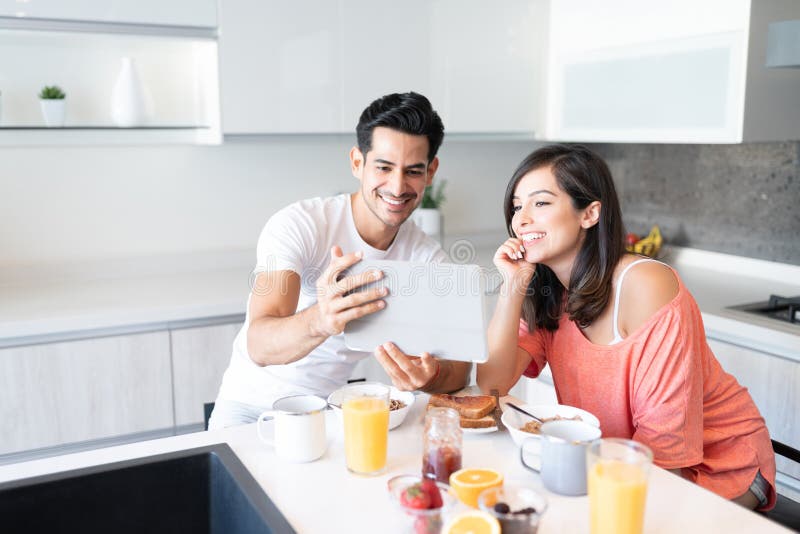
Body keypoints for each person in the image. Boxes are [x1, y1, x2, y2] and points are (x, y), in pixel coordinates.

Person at [477, 144, 776, 510]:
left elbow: (667, 452)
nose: (520, 219)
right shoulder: (547, 292)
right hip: (623, 463)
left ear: (589, 213)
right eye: (516, 205)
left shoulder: (645, 284)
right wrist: (512, 285)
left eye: (540, 203)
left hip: (718, 465)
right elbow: (492, 383)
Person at [209, 92, 471, 429]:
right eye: (384, 167)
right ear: (357, 162)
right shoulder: (299, 225)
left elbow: (460, 367)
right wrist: (321, 318)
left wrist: (431, 375)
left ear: (431, 172)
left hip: (330, 417)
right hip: (248, 410)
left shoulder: (425, 259)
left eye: (413, 171)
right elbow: (258, 344)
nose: (397, 186)